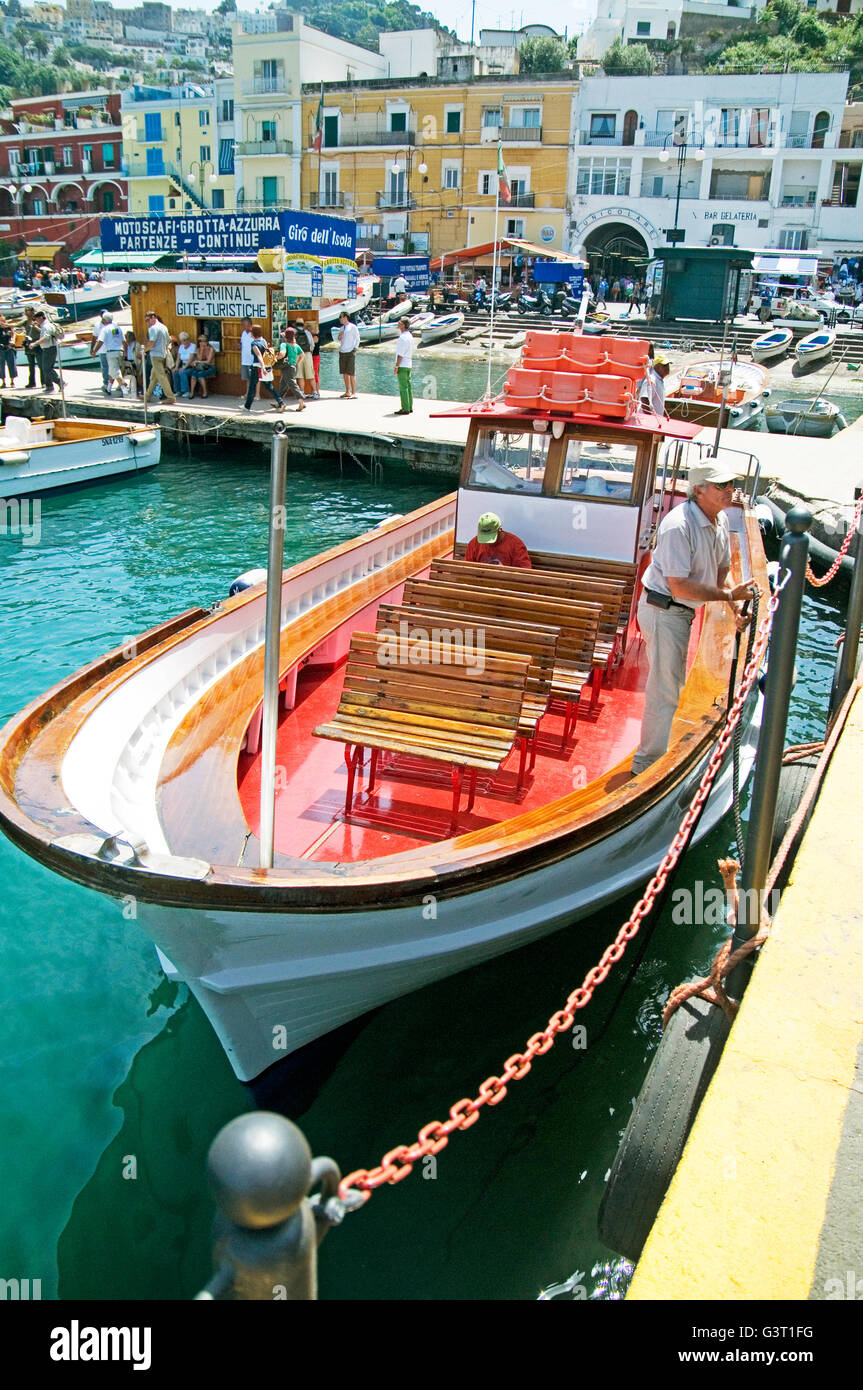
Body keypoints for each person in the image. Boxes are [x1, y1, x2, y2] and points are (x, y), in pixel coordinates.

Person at [631, 463, 755, 777]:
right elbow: (680, 585)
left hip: (681, 611)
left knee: (671, 685)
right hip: (663, 610)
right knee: (665, 689)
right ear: (698, 490)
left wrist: (734, 611)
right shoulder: (678, 526)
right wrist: (729, 598)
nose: (730, 490)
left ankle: (654, 757)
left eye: (731, 483)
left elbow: (721, 575)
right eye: (721, 485)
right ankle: (645, 766)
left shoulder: (722, 520)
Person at [242, 324, 287, 413]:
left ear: (253, 333)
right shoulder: (264, 341)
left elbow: (259, 356)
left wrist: (262, 367)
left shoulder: (254, 344)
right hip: (268, 366)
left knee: (252, 387)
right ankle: (281, 403)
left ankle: (247, 407)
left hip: (258, 368)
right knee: (269, 386)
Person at [464, 513, 532, 568]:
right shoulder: (474, 544)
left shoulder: (516, 545)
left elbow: (525, 572)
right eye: (485, 537)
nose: (488, 542)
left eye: (491, 537)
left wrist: (504, 572)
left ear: (500, 530)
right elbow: (467, 569)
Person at [143, 311, 175, 404]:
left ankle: (170, 397)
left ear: (153, 317)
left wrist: (143, 350)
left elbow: (151, 343)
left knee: (161, 376)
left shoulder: (153, 328)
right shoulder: (163, 327)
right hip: (163, 354)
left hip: (155, 355)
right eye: (146, 321)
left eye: (148, 320)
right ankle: (147, 395)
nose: (147, 323)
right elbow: (169, 340)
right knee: (154, 377)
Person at [275, 327, 307, 408]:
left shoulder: (284, 344)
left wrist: (275, 358)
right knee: (283, 385)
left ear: (285, 337)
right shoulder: (296, 345)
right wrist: (297, 363)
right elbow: (302, 355)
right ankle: (279, 401)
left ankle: (301, 402)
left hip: (286, 367)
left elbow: (282, 354)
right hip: (293, 367)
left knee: (292, 384)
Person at [33, 311, 61, 393]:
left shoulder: (46, 326)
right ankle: (49, 386)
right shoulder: (46, 325)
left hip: (49, 349)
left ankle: (60, 382)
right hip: (49, 348)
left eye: (37, 319)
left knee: (47, 368)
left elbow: (46, 337)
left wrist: (35, 343)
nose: (36, 321)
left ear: (41, 318)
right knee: (47, 368)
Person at [393, 317, 415, 416]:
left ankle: (405, 408)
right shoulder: (409, 336)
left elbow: (400, 354)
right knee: (408, 386)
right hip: (408, 363)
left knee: (403, 387)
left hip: (402, 364)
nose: (398, 323)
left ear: (403, 325)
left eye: (400, 322)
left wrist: (397, 366)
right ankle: (409, 406)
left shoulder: (402, 337)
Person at [90, 310, 114, 393]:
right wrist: (92, 349)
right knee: (105, 368)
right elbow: (95, 338)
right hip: (103, 350)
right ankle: (106, 384)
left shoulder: (114, 325)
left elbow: (116, 336)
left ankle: (119, 384)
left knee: (115, 367)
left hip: (112, 349)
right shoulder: (97, 325)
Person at [337, 311, 359, 399]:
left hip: (350, 351)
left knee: (351, 373)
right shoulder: (341, 328)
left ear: (346, 317)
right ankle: (347, 391)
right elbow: (339, 339)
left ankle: (354, 392)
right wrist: (340, 336)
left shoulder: (353, 327)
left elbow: (357, 338)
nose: (340, 319)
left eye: (341, 317)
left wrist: (355, 348)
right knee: (345, 373)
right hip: (342, 351)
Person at [293, 321, 318, 399]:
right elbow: (312, 345)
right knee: (311, 375)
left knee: (300, 375)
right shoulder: (307, 332)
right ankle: (315, 392)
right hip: (307, 354)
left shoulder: (294, 332)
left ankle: (302, 392)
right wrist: (309, 352)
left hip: (298, 355)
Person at [173, 332, 198, 397]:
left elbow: (191, 358)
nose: (183, 342)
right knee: (175, 372)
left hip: (191, 366)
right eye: (182, 340)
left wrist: (184, 367)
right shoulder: (181, 347)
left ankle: (186, 391)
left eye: (184, 340)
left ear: (187, 339)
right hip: (183, 364)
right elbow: (178, 358)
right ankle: (178, 391)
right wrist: (176, 367)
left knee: (182, 372)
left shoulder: (193, 346)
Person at [22, 307, 40, 388]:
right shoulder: (25, 322)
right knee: (31, 365)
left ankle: (44, 382)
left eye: (28, 312)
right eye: (26, 312)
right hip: (28, 345)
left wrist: (35, 326)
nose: (27, 314)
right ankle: (32, 382)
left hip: (37, 345)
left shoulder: (37, 321)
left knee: (41, 365)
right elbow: (15, 325)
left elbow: (41, 331)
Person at [120, 331, 142, 397]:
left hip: (135, 362)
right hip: (128, 362)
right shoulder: (126, 345)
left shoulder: (136, 344)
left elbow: (139, 355)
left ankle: (138, 389)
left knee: (136, 376)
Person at [239, 315, 255, 403]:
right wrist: (239, 346)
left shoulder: (254, 333)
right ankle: (248, 393)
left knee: (253, 378)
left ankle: (255, 394)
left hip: (252, 359)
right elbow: (242, 344)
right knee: (247, 378)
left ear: (249, 324)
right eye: (243, 325)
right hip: (244, 359)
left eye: (245, 325)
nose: (244, 327)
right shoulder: (243, 333)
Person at [0, 313, 17, 388]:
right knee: (1, 365)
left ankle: (12, 381)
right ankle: (3, 382)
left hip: (9, 347)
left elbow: (13, 334)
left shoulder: (9, 327)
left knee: (11, 364)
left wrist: (12, 341)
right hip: (1, 348)